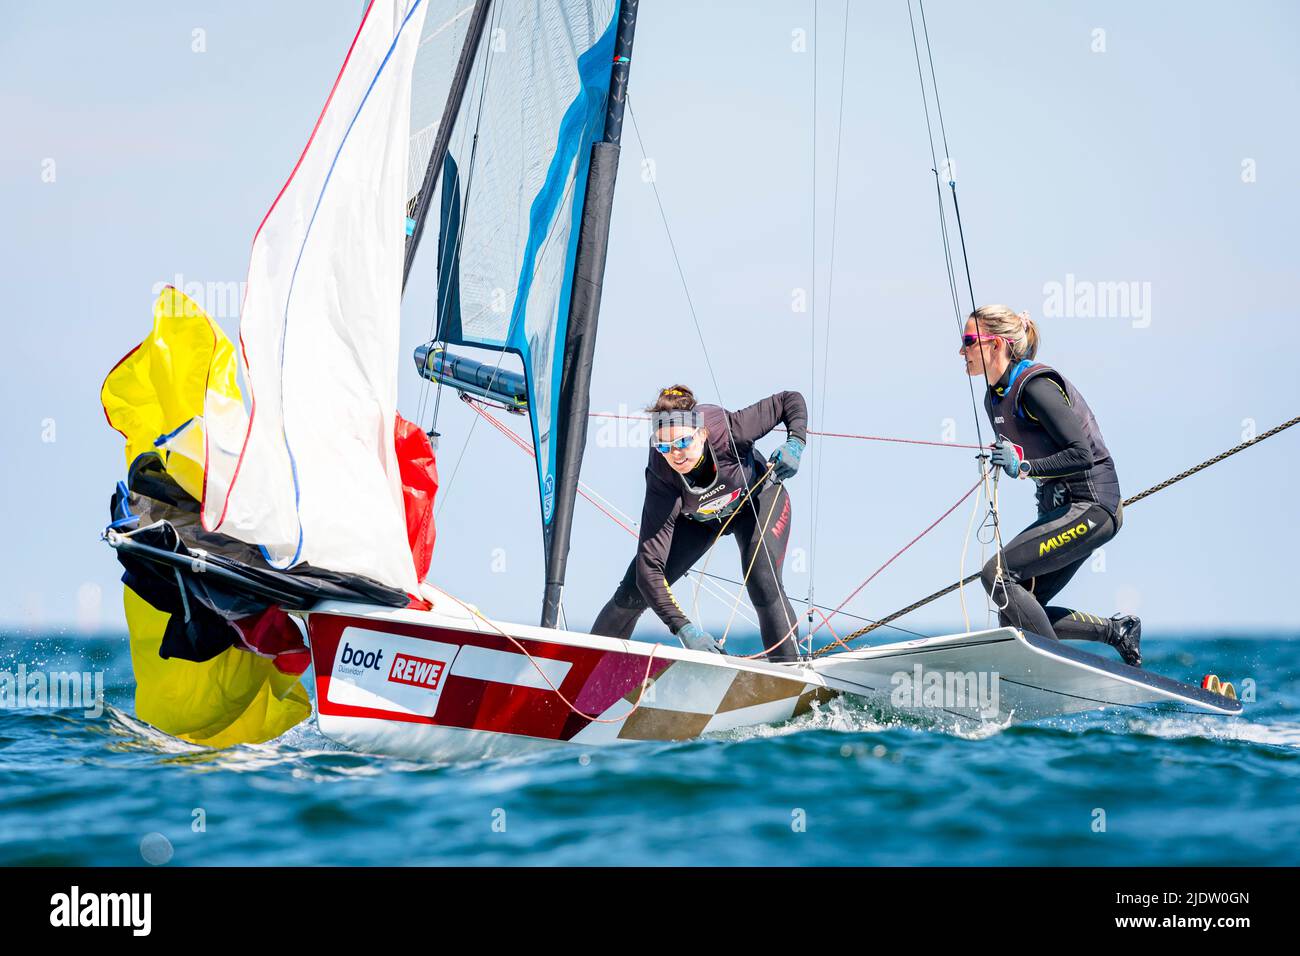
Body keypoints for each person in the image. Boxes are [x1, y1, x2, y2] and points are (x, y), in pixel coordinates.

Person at [961, 305, 1142, 666]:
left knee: (997, 576)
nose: (961, 351)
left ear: (996, 345)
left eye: (968, 342)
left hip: (1091, 507)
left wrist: (1024, 466)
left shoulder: (1036, 387)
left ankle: (1051, 671)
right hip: (1060, 509)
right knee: (1013, 612)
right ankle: (1115, 631)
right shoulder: (993, 398)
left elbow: (1081, 455)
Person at [590, 385, 807, 662]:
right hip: (701, 520)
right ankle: (584, 680)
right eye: (665, 447)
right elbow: (649, 570)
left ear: (702, 434)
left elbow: (790, 400)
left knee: (761, 579)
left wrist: (796, 442)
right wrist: (685, 630)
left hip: (756, 500)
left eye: (682, 443)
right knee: (633, 591)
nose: (675, 455)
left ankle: (790, 672)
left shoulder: (729, 430)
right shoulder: (662, 475)